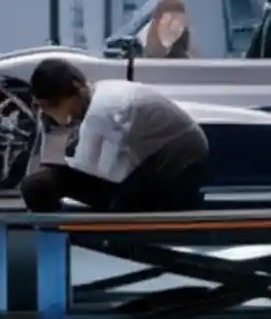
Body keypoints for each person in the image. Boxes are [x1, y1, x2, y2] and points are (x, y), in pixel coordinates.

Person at [20, 58, 209, 212]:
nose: (49, 114)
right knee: (40, 183)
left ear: (73, 92)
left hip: (178, 160)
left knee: (122, 205)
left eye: (49, 107)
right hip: (155, 154)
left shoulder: (103, 110)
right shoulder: (96, 95)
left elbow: (98, 169)